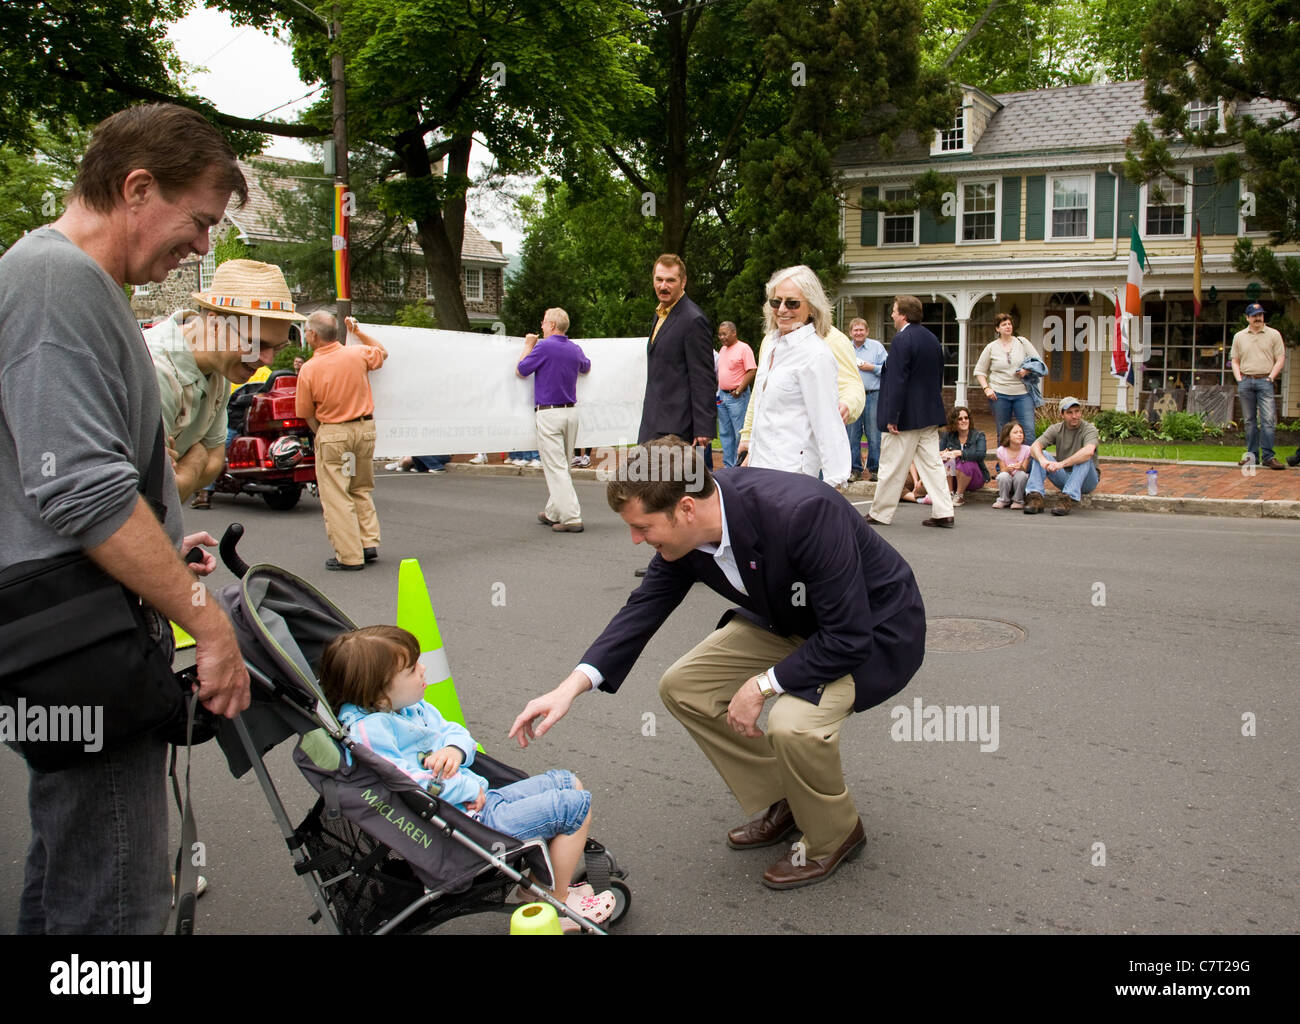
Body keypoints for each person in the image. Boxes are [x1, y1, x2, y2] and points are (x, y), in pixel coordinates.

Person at [0, 102, 252, 934]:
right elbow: (79, 489)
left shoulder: (77, 283)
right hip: (79, 644)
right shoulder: (56, 280)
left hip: (71, 637)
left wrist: (166, 538)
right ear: (137, 187)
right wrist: (208, 627)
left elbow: (84, 477)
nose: (203, 245)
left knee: (75, 871)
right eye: (200, 220)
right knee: (114, 899)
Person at [508, 437, 926, 890]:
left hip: (872, 633)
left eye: (643, 527)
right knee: (683, 685)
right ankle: (788, 799)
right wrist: (569, 687)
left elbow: (847, 635)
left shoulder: (803, 512)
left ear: (686, 509)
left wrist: (762, 686)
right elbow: (641, 610)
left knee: (791, 722)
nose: (635, 540)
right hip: (794, 623)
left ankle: (833, 834)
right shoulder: (685, 537)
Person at [319, 625, 615, 928]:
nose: (423, 669)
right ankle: (557, 902)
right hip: (465, 825)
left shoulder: (408, 707)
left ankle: (535, 886)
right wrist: (465, 786)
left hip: (477, 802)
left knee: (568, 782)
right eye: (411, 669)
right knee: (576, 806)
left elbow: (457, 733)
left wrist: (454, 751)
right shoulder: (370, 733)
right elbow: (409, 787)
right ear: (381, 693)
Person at [146, 259, 302, 507]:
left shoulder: (219, 369)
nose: (267, 359)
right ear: (216, 324)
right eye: (256, 344)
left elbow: (215, 460)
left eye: (278, 347)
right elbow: (150, 497)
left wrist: (186, 469)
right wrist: (196, 457)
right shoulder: (155, 372)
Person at [737, 265, 849, 488]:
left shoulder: (816, 355)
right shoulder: (771, 345)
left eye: (792, 302)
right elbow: (761, 403)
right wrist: (750, 445)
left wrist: (835, 482)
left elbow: (828, 423)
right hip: (759, 468)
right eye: (776, 301)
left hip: (791, 476)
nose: (782, 309)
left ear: (812, 307)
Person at [296, 311, 388, 570]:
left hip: (334, 431)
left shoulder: (309, 368)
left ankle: (350, 556)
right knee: (360, 487)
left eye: (306, 332)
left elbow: (305, 412)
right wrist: (358, 332)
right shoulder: (357, 354)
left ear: (314, 335)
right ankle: (368, 542)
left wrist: (322, 432)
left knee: (337, 495)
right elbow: (382, 351)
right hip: (364, 428)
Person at [868, 295, 956, 528]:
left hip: (905, 417)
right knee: (933, 465)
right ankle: (944, 511)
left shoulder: (901, 340)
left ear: (904, 315)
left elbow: (897, 381)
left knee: (891, 464)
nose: (892, 315)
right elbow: (938, 377)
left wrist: (892, 416)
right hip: (929, 414)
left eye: (894, 311)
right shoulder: (932, 339)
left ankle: (880, 513)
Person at [517, 307, 591, 533]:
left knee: (556, 468)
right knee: (563, 466)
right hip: (571, 412)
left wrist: (528, 346)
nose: (541, 326)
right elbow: (586, 367)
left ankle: (571, 517)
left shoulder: (543, 347)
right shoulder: (574, 348)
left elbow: (521, 370)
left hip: (549, 413)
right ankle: (553, 512)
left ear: (551, 325)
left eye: (543, 322)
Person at [637, 254, 716, 453]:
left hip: (677, 428)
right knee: (648, 481)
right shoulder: (661, 314)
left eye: (671, 280)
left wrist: (703, 428)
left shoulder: (693, 319)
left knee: (672, 484)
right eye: (659, 279)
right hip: (653, 421)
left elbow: (703, 378)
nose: (663, 286)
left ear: (683, 282)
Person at [1231, 302, 1287, 471]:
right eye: (1254, 316)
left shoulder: (1273, 335)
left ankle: (1268, 457)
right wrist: (1239, 378)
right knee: (1249, 421)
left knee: (1268, 420)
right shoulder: (1239, 336)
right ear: (1247, 318)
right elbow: (1235, 359)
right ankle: (1251, 456)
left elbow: (1281, 358)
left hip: (1265, 381)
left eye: (1260, 315)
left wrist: (1271, 377)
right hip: (1246, 381)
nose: (1258, 318)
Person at [1023, 396, 1099, 516]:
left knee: (1084, 457)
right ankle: (1035, 497)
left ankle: (1066, 499)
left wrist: (1061, 464)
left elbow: (1088, 451)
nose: (1074, 416)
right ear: (1062, 414)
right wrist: (1042, 460)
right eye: (1069, 413)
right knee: (1041, 454)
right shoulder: (1056, 429)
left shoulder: (1089, 429)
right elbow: (1034, 447)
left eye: (1077, 411)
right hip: (1063, 477)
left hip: (1086, 480)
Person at [974, 311, 1042, 446]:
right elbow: (979, 371)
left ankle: (1029, 466)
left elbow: (1038, 362)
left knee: (1028, 432)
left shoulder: (1022, 342)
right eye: (1004, 324)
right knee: (1003, 432)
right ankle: (1003, 466)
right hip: (999, 395)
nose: (1008, 326)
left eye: (1009, 324)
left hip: (1023, 394)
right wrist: (986, 388)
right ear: (997, 329)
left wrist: (1026, 370)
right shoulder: (991, 347)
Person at [847, 317, 887, 482]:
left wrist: (872, 368)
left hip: (872, 395)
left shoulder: (876, 347)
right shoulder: (845, 348)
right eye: (855, 330)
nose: (858, 333)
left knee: (873, 434)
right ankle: (853, 469)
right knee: (852, 434)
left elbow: (888, 367)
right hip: (852, 396)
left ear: (867, 331)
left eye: (861, 329)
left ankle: (875, 469)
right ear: (850, 333)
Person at [715, 321, 756, 468]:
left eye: (724, 334)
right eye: (720, 334)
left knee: (739, 433)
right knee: (725, 434)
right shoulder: (723, 350)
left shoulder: (743, 348)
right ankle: (728, 466)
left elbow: (751, 370)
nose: (722, 337)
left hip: (737, 397)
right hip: (722, 396)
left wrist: (739, 389)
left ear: (734, 333)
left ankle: (740, 467)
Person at [937, 406, 988, 506]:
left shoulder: (979, 435)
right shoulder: (947, 435)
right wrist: (943, 454)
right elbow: (939, 453)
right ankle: (950, 493)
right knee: (948, 460)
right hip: (953, 479)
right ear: (953, 421)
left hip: (973, 478)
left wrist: (960, 453)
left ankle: (959, 496)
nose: (964, 421)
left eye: (966, 418)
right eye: (960, 419)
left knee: (966, 463)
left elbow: (980, 455)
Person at [991, 420, 1031, 509]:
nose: (1019, 434)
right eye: (1015, 432)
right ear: (1008, 436)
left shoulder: (1027, 449)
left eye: (1021, 432)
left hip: (1019, 481)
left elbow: (1024, 469)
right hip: (1007, 479)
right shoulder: (1001, 450)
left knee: (1021, 474)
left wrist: (1020, 467)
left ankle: (1018, 500)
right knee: (1003, 476)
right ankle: (1003, 499)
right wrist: (1007, 469)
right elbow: (1002, 470)